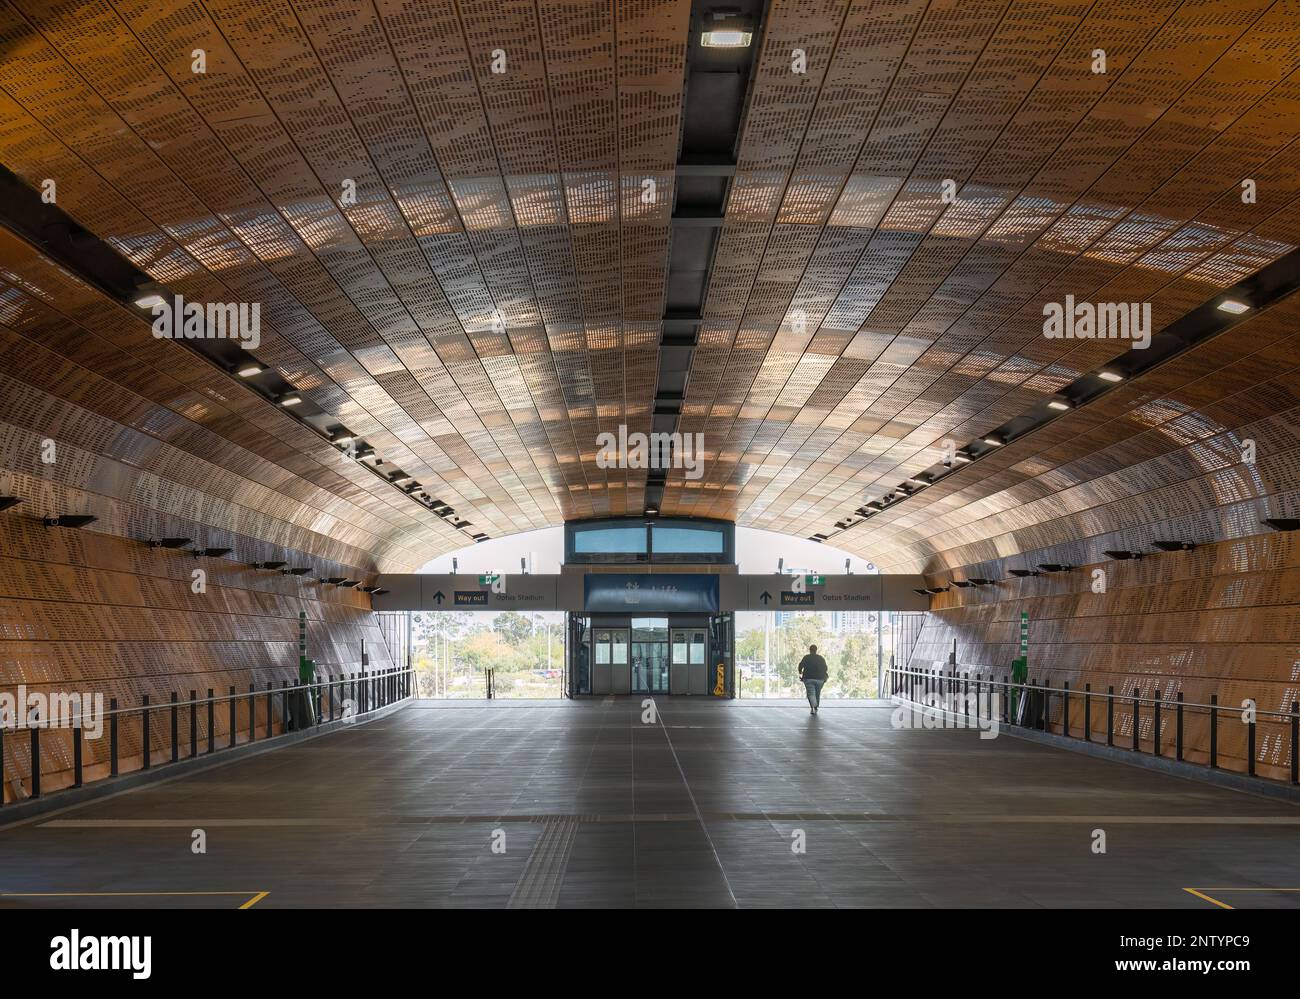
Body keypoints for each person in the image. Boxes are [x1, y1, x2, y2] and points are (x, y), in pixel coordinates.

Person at [797, 644, 828, 715]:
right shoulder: (821, 658)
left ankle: (813, 707)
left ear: (810, 650)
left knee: (811, 693)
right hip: (820, 679)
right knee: (817, 693)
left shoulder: (806, 657)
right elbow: (825, 668)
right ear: (816, 650)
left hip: (808, 678)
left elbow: (800, 665)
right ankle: (815, 707)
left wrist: (800, 672)